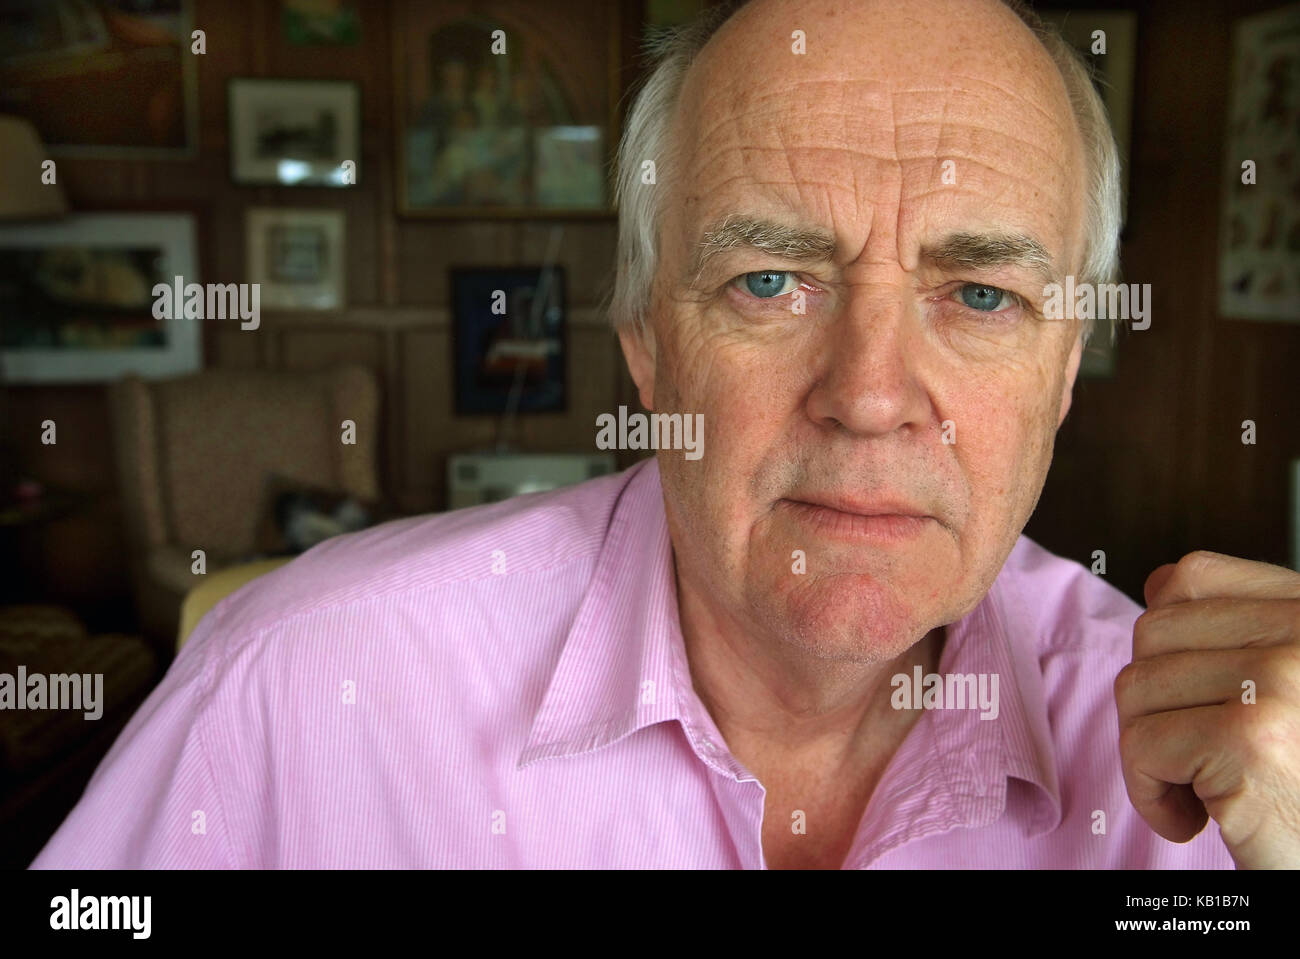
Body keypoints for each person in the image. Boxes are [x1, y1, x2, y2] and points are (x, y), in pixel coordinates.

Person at [32, 0, 1300, 869]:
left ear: (1064, 367)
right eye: (768, 280)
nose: (868, 392)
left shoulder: (1213, 765)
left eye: (979, 295)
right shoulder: (297, 684)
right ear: (646, 338)